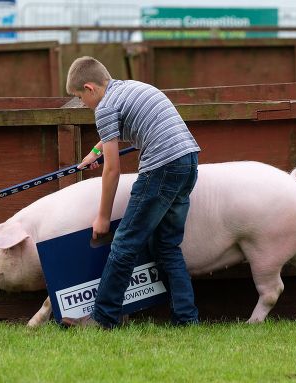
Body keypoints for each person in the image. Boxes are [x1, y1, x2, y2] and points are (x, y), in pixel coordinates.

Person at [62, 56, 200, 329]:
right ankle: (186, 319)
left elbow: (112, 170)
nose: (82, 105)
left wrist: (102, 217)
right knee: (166, 245)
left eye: (80, 98)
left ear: (90, 88)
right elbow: (113, 136)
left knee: (124, 244)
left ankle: (103, 318)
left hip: (161, 168)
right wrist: (94, 153)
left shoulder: (104, 107)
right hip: (188, 161)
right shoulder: (130, 88)